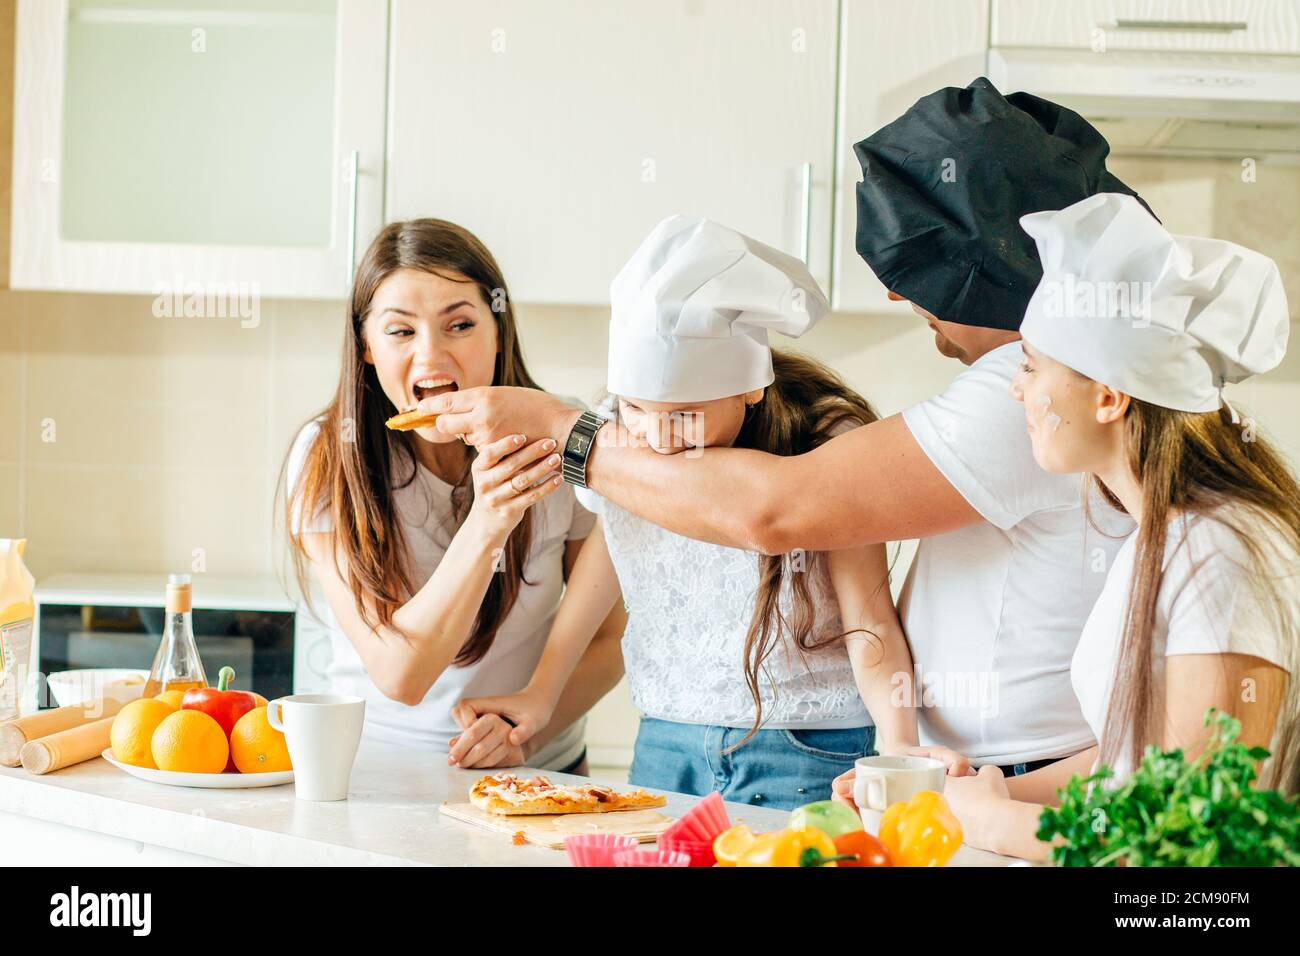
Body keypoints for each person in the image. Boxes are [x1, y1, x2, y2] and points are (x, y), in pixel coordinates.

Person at [418, 79, 1150, 781]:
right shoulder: (1034, 378)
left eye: (918, 270)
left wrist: (562, 429)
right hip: (851, 749)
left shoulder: (1029, 392)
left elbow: (775, 513)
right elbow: (623, 532)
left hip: (954, 758)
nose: (897, 293)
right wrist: (544, 691)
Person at [452, 217, 915, 811]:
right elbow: (611, 556)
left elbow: (870, 620)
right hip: (664, 741)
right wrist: (541, 693)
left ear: (751, 388)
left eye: (685, 414)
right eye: (640, 410)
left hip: (804, 748)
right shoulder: (616, 435)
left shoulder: (825, 441)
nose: (660, 438)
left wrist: (900, 753)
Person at [936, 192, 1298, 860]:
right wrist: (970, 798)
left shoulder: (1224, 553)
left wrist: (993, 825)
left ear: (1109, 394)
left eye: (1031, 366)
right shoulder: (1161, 535)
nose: (1018, 390)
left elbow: (1190, 836)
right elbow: (1132, 761)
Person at [281, 218, 625, 774]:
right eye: (400, 331)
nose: (431, 356)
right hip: (379, 778)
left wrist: (526, 735)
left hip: (542, 773)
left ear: (497, 332)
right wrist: (492, 517)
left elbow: (609, 640)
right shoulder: (327, 456)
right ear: (366, 346)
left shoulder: (561, 437)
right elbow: (401, 675)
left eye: (460, 324)